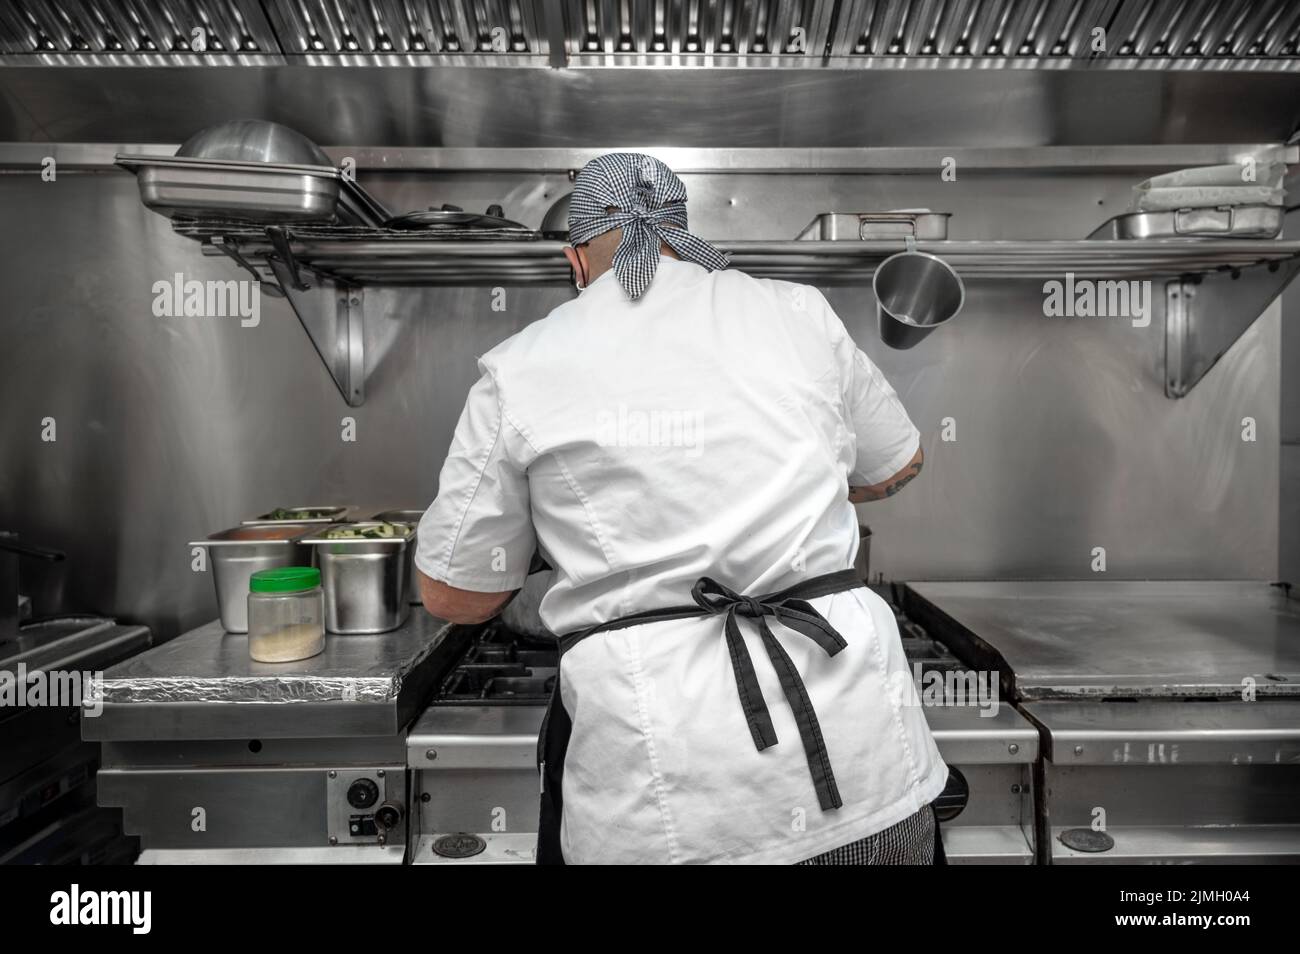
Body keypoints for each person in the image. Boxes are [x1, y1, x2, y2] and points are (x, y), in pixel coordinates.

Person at [416, 153, 947, 864]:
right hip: (867, 767)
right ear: (681, 232)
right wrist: (785, 473)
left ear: (576, 259)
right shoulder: (796, 310)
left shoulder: (520, 366)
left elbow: (454, 595)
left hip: (672, 808)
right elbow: (898, 464)